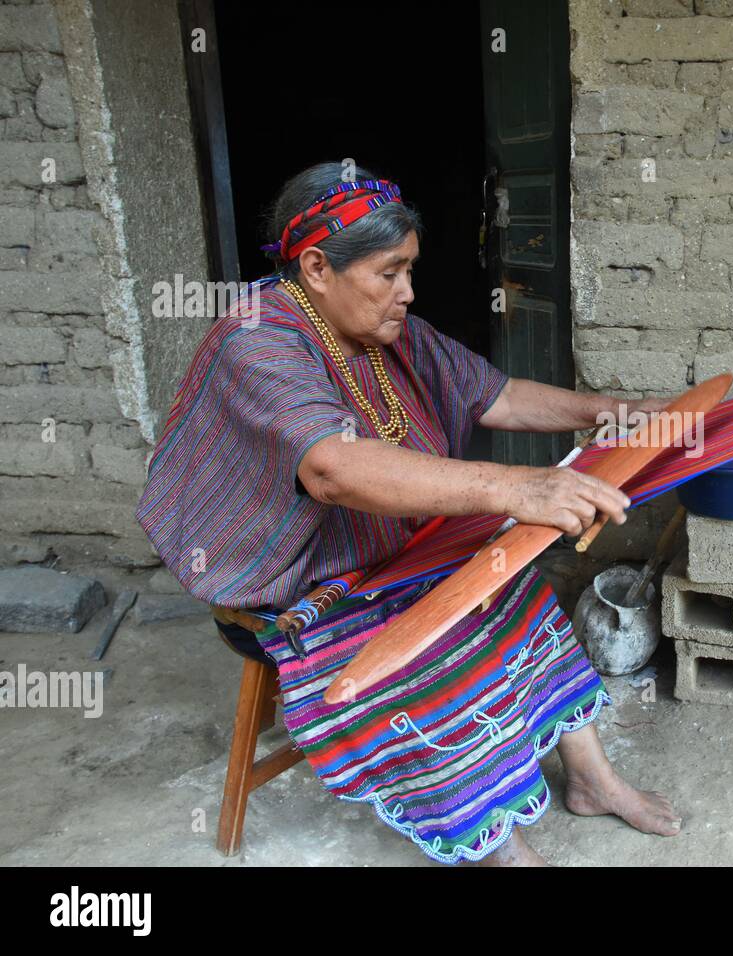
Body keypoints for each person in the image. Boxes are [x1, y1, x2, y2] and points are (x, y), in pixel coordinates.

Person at [136, 163, 681, 865]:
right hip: (299, 582)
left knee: (505, 581)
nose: (409, 293)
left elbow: (497, 397)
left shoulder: (386, 334)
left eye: (410, 270)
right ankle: (500, 848)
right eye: (389, 273)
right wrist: (516, 487)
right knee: (433, 651)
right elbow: (333, 468)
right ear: (316, 267)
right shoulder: (256, 339)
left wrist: (612, 415)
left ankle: (591, 777)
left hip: (387, 547)